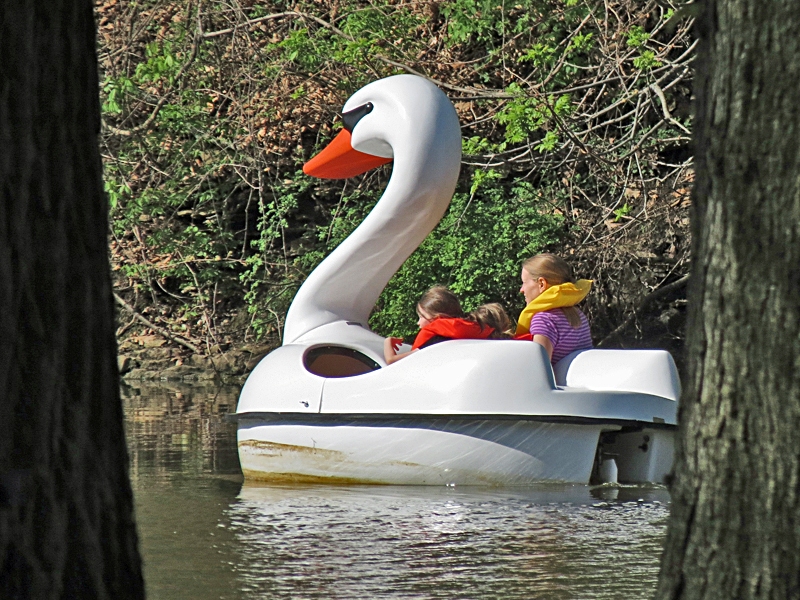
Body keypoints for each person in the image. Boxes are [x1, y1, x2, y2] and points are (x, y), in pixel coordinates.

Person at [384, 286, 495, 364]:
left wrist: (387, 342)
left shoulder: (436, 341)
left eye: (422, 316)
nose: (418, 322)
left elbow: (392, 361)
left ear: (438, 318)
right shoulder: (469, 331)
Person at [517, 253, 593, 364]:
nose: (521, 290)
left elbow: (540, 369)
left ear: (541, 284)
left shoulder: (543, 320)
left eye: (524, 283)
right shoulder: (579, 315)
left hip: (554, 382)